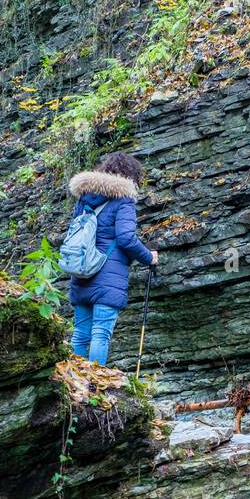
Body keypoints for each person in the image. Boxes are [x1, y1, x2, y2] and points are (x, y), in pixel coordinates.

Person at [66, 152, 158, 365]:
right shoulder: (123, 200)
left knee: (80, 333)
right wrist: (148, 257)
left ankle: (75, 385)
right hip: (109, 274)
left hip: (81, 269)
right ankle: (94, 387)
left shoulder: (85, 199)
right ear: (130, 177)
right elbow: (126, 239)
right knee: (100, 333)